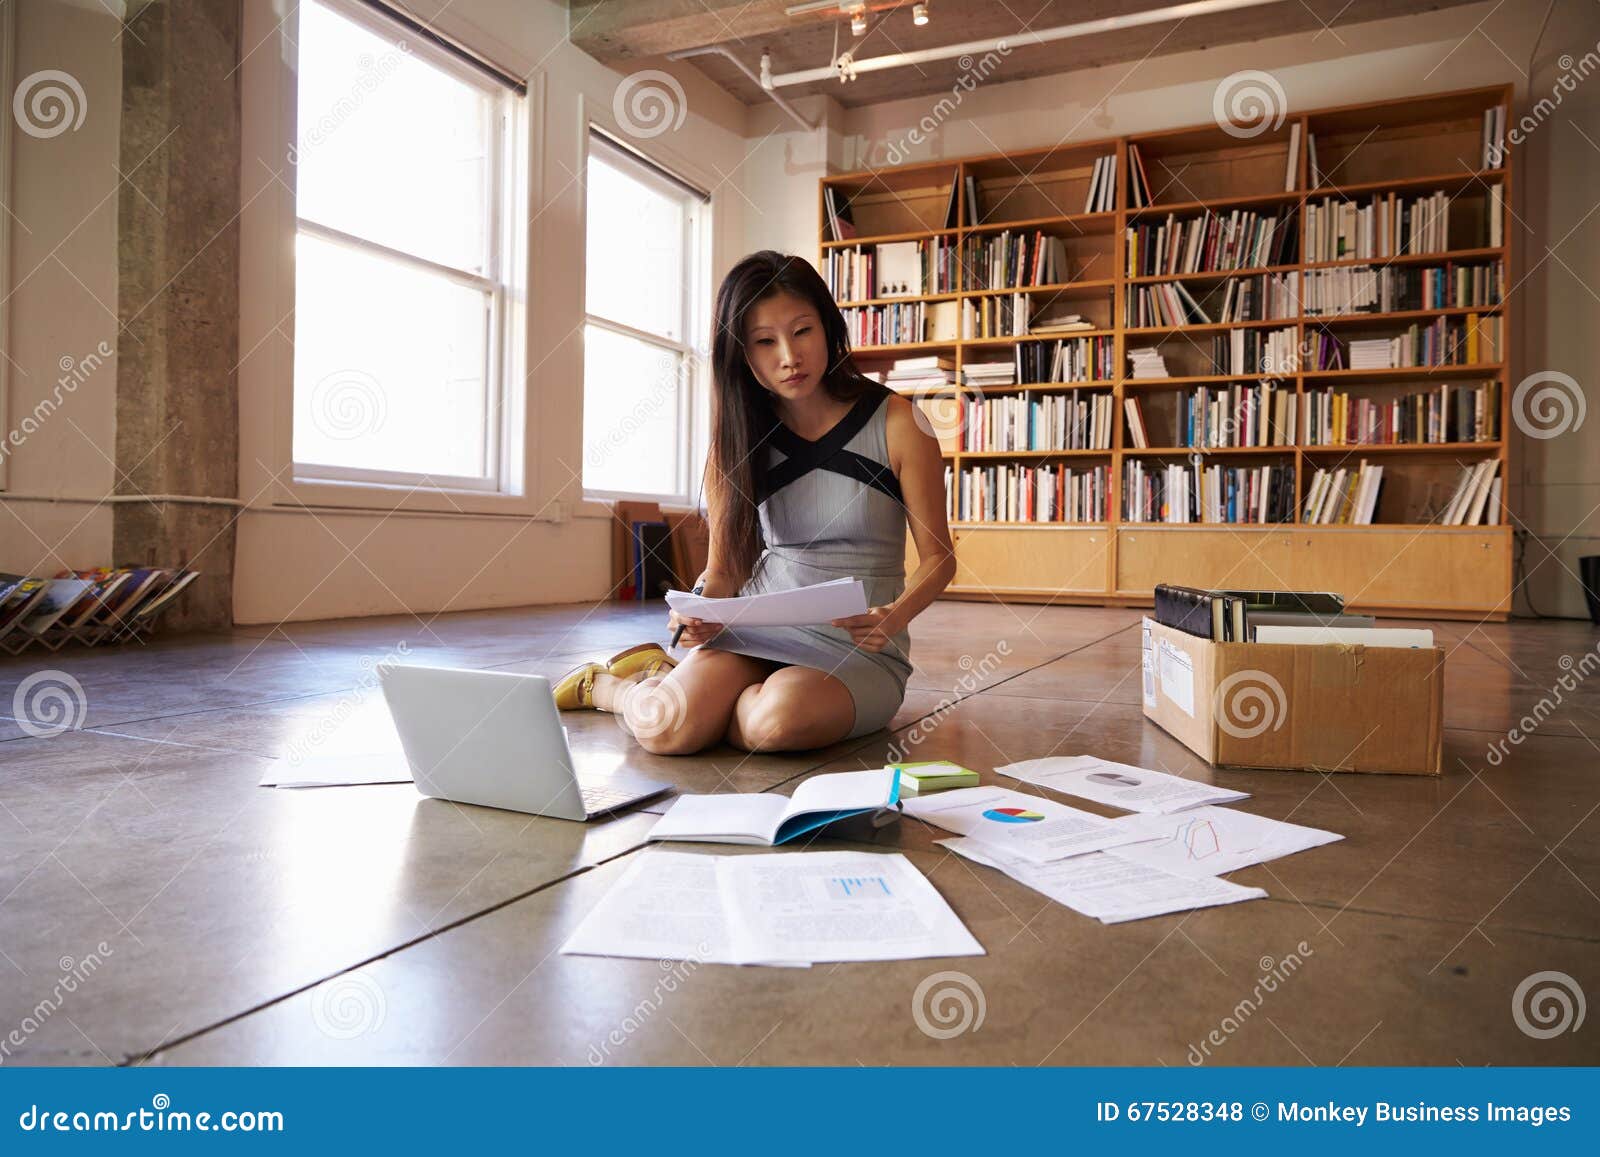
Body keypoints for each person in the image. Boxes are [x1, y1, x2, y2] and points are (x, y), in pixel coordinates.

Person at [555, 250, 956, 754]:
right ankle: (615, 689)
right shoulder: (738, 438)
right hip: (756, 632)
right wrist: (699, 611)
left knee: (775, 724)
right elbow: (723, 571)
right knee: (662, 729)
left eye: (802, 331)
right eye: (765, 342)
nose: (789, 356)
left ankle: (670, 682)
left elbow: (940, 557)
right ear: (740, 355)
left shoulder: (901, 423)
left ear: (829, 327)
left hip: (857, 646)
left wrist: (893, 616)